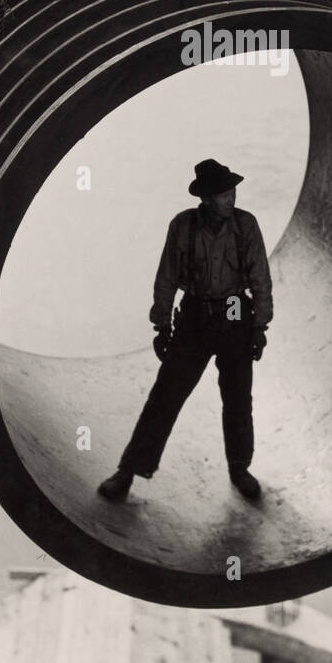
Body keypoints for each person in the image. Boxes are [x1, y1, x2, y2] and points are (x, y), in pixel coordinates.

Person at [97, 159, 273, 503]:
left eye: (232, 191)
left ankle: (240, 469)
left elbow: (260, 280)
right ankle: (127, 472)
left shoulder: (245, 226)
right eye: (223, 194)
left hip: (236, 313)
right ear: (205, 198)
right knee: (165, 397)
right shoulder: (183, 226)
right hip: (194, 317)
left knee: (239, 400)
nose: (231, 199)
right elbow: (166, 279)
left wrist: (259, 327)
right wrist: (162, 326)